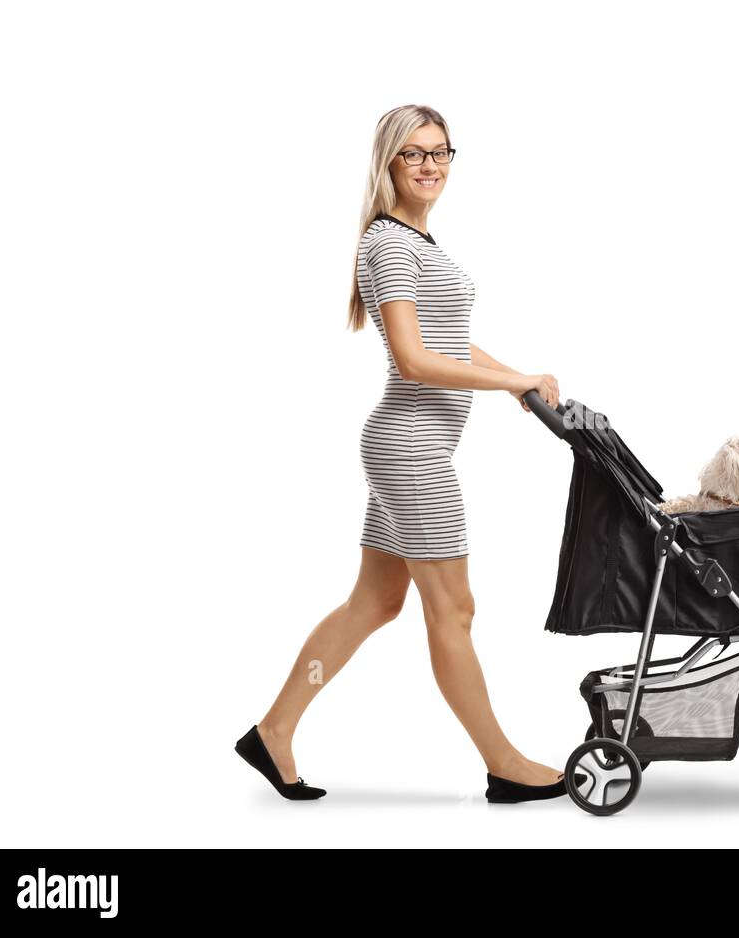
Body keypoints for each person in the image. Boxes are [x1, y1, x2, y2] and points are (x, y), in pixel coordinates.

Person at [235, 104, 572, 804]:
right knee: (454, 610)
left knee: (375, 601)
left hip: (405, 448)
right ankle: (503, 763)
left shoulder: (421, 242)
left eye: (441, 152)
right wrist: (513, 380)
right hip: (412, 452)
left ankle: (273, 730)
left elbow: (445, 340)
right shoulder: (389, 244)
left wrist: (517, 381)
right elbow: (416, 362)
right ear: (388, 162)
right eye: (413, 153)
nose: (429, 165)